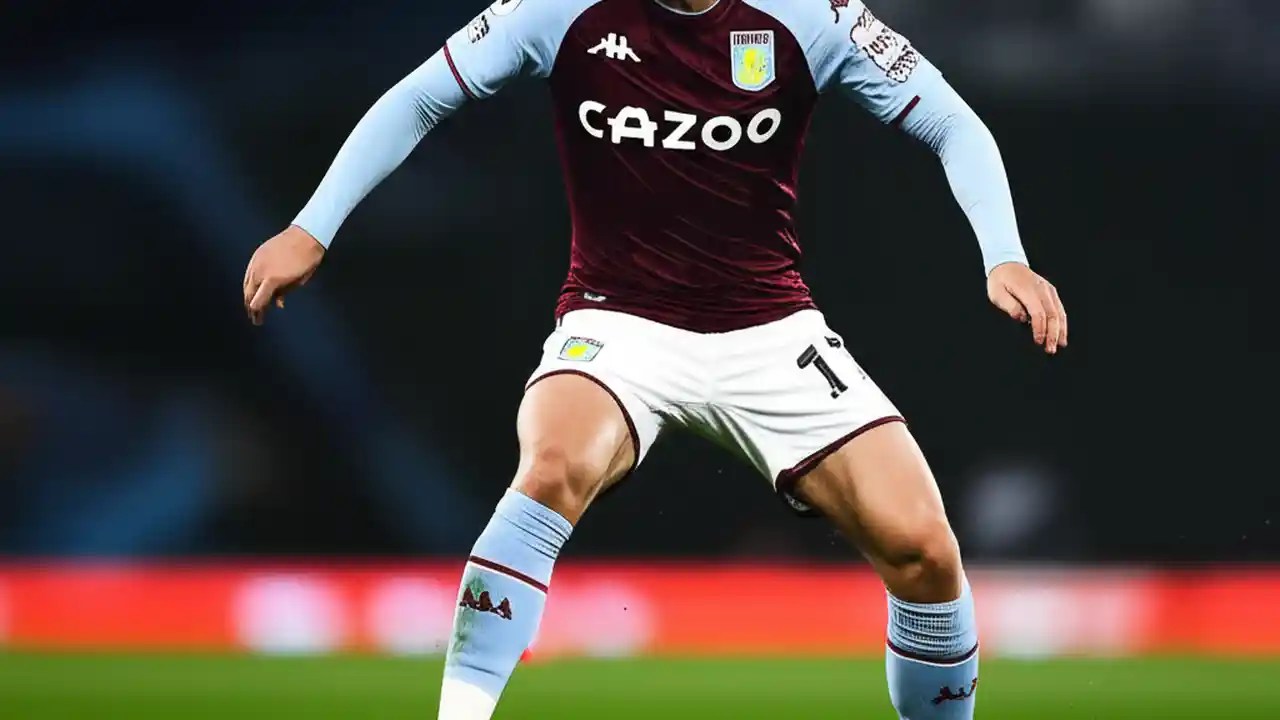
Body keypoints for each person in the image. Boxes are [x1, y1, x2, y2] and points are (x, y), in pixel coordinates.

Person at [241, 0, 1068, 717]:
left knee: (925, 548)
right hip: (618, 324)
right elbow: (421, 96)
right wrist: (311, 227)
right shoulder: (558, 10)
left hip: (770, 330)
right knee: (554, 465)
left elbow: (950, 120)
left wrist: (1004, 253)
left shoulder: (810, 15)